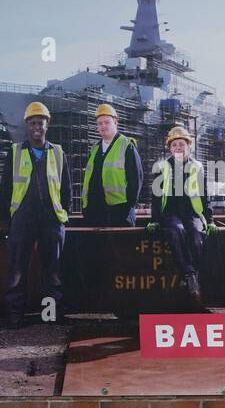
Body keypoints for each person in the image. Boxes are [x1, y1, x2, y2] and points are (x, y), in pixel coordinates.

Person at [1, 102, 71, 328]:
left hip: (51, 219)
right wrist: (5, 220)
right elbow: (6, 188)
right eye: (32, 123)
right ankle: (15, 316)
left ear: (47, 124)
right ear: (27, 126)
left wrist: (62, 214)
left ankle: (50, 315)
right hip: (22, 217)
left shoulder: (58, 153)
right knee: (17, 270)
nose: (36, 128)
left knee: (52, 271)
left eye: (40, 123)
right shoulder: (15, 152)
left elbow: (67, 189)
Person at [148, 126, 215, 306]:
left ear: (189, 146)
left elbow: (204, 195)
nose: (178, 147)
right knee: (177, 231)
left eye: (182, 144)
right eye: (174, 145)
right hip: (170, 213)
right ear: (170, 148)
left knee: (196, 235)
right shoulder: (162, 168)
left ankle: (191, 275)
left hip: (192, 212)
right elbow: (155, 197)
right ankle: (190, 275)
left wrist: (209, 220)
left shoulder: (197, 167)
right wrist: (154, 220)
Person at [80, 103, 143, 227]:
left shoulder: (126, 146)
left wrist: (129, 206)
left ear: (115, 122)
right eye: (99, 123)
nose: (103, 126)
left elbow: (136, 178)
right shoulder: (95, 149)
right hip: (96, 212)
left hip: (120, 213)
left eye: (107, 122)